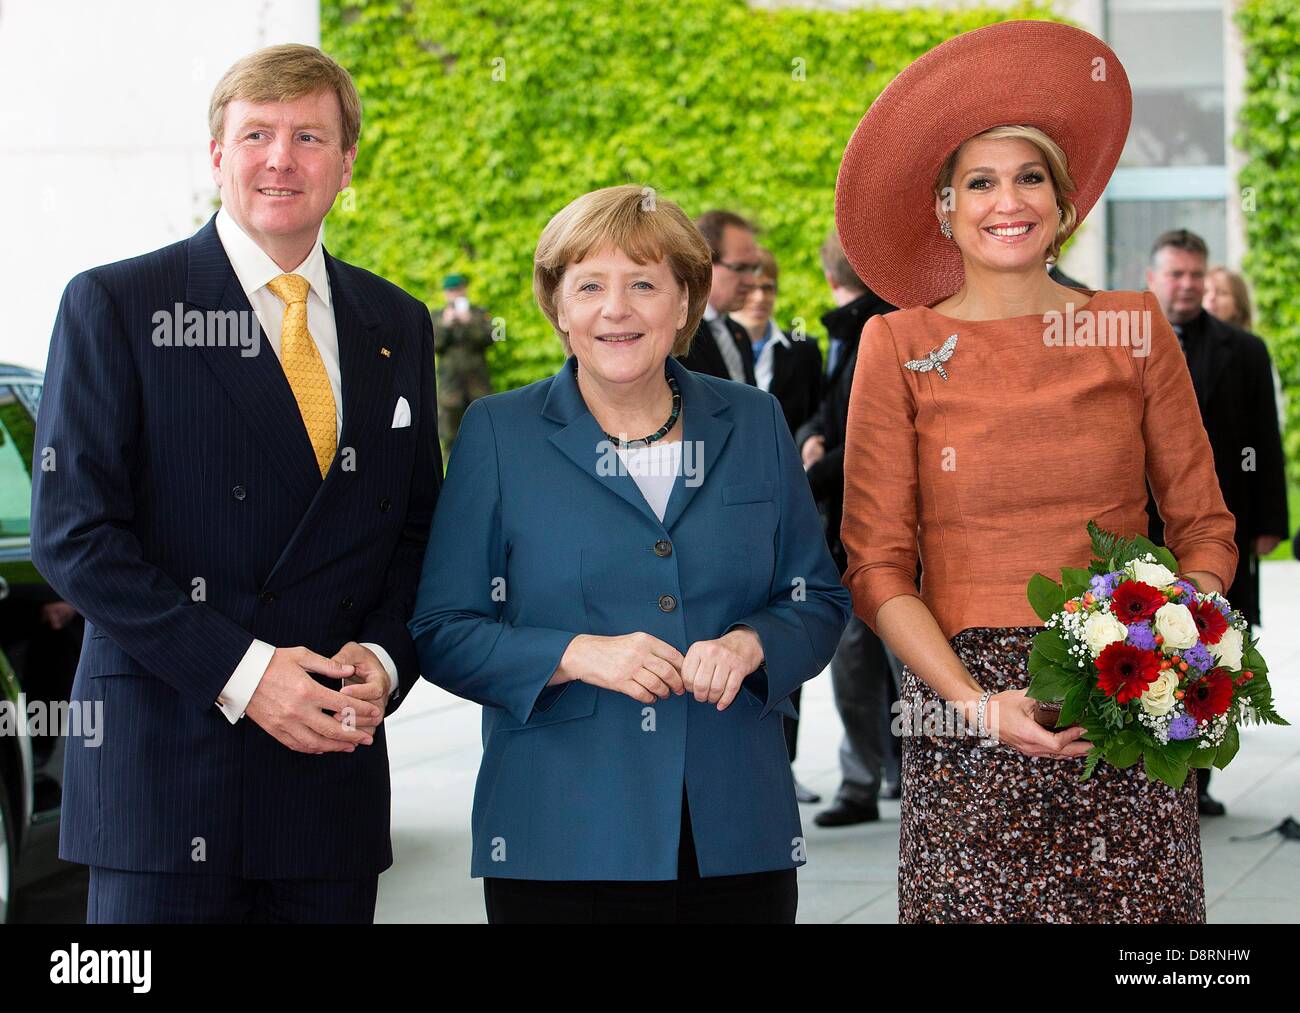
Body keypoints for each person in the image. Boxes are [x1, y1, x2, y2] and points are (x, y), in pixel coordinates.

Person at [835, 20, 1238, 922]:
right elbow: (875, 566)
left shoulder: (1131, 327)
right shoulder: (898, 343)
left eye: (1029, 178)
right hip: (964, 707)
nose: (1005, 200)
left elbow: (1205, 527)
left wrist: (1162, 648)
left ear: (1063, 201)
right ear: (945, 206)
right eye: (979, 181)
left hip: (1126, 698)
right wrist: (972, 703)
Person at [30, 44, 442, 923]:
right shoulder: (118, 303)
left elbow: (416, 531)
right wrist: (247, 676)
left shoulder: (395, 323)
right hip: (166, 788)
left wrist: (381, 657)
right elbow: (74, 537)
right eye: (256, 133)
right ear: (218, 155)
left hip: (328, 787)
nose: (282, 158)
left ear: (346, 163)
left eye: (309, 136)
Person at [408, 184, 851, 924]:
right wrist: (576, 654)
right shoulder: (497, 433)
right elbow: (444, 628)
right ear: (558, 307)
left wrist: (753, 643)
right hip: (561, 833)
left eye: (644, 283)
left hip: (737, 830)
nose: (616, 309)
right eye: (589, 285)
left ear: (684, 304)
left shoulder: (754, 419)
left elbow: (819, 598)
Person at [1145, 231, 1289, 817]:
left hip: (1222, 527)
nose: (1187, 285)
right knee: (1148, 646)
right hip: (1146, 530)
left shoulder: (1244, 350)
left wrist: (1269, 520)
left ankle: (1196, 781)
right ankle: (1149, 770)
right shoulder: (1124, 343)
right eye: (1176, 274)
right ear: (1151, 277)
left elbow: (1264, 439)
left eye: (1195, 274)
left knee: (1213, 649)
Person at [796, 231, 903, 826]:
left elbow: (876, 435)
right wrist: (811, 434)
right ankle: (863, 782)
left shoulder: (879, 327)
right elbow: (828, 409)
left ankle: (907, 780)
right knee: (854, 665)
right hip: (843, 533)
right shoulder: (841, 330)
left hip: (883, 533)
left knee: (898, 665)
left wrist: (815, 464)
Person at [729, 246, 823, 800]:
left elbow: (816, 407)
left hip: (791, 489)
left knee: (784, 624)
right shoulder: (711, 347)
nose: (761, 298)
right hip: (735, 497)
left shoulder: (801, 350)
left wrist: (811, 437)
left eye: (769, 289)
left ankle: (782, 762)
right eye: (751, 287)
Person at [677, 209, 760, 384]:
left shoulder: (739, 335)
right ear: (703, 263)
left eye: (754, 269)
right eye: (740, 268)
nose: (752, 281)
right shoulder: (677, 334)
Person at [432, 272, 494, 448]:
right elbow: (433, 345)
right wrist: (445, 325)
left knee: (483, 428)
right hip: (450, 385)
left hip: (478, 383)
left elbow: (491, 339)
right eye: (451, 290)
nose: (455, 293)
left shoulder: (479, 313)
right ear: (445, 293)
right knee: (450, 434)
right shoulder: (437, 316)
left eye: (458, 289)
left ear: (465, 290)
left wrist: (469, 322)